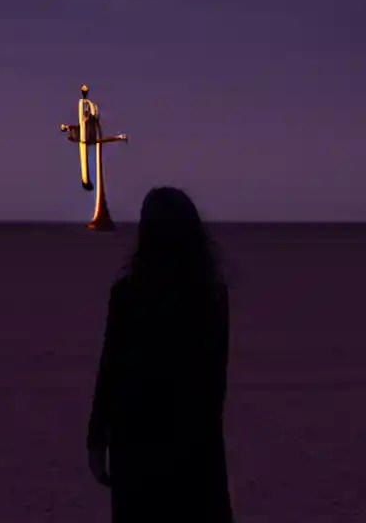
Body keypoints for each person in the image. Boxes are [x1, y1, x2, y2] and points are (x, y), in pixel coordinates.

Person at [86, 186, 234, 522]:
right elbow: (215, 381)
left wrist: (97, 438)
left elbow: (110, 371)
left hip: (139, 442)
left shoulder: (129, 293)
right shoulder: (211, 296)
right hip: (194, 443)